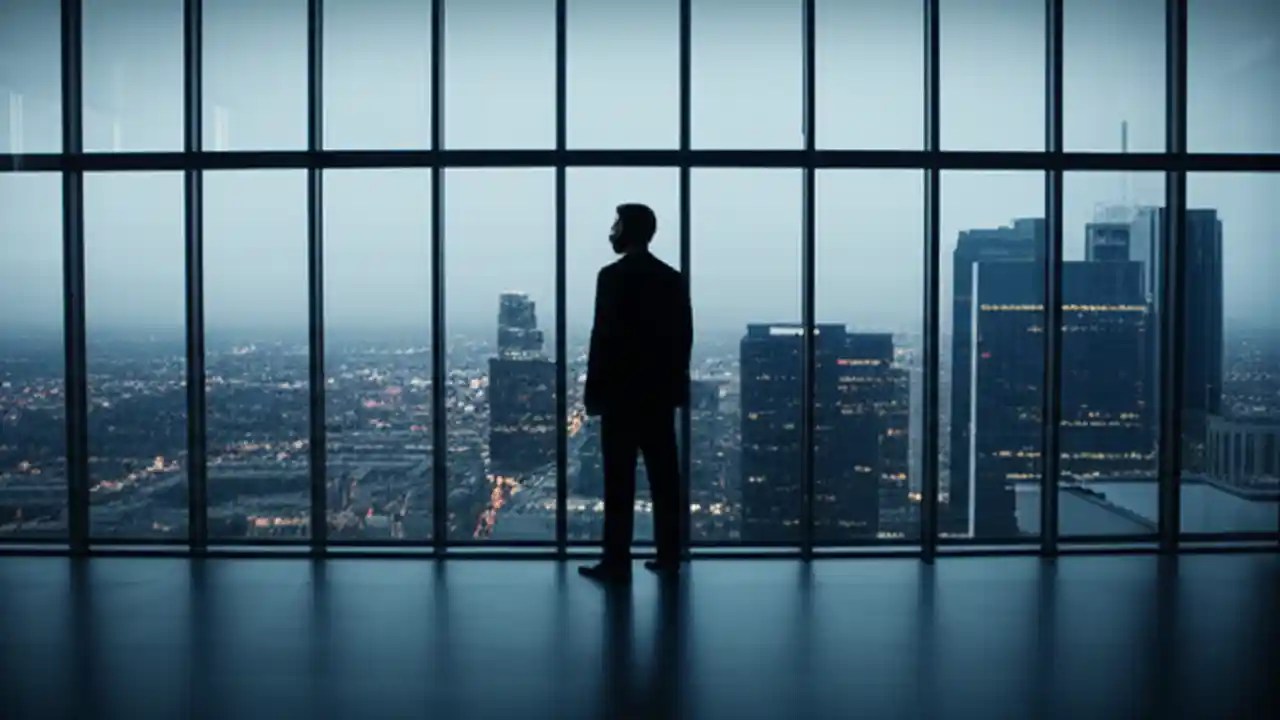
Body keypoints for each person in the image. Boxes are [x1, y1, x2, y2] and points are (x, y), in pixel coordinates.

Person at [578, 203, 692, 583]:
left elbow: (603, 339)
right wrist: (674, 388)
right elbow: (682, 339)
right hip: (657, 397)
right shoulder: (671, 279)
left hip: (620, 396)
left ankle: (615, 561)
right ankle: (669, 556)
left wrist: (594, 391)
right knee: (664, 480)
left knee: (618, 481)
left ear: (630, 230)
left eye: (616, 224)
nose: (611, 230)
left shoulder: (611, 278)